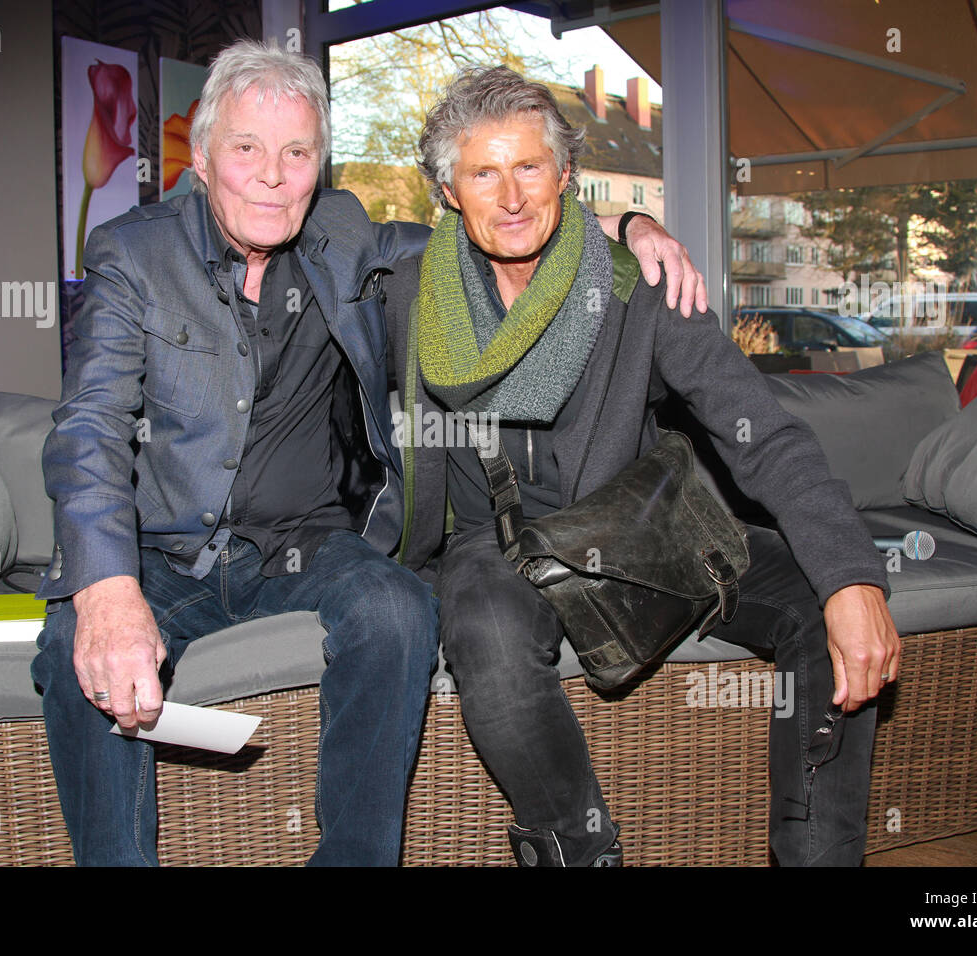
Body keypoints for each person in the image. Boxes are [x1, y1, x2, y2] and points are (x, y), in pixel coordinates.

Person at [31, 40, 705, 867]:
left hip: (311, 547)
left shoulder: (340, 231)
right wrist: (106, 593)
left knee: (396, 608)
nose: (273, 176)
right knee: (74, 653)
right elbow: (88, 427)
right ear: (203, 157)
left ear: (319, 165)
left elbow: (493, 228)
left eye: (297, 153)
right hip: (166, 555)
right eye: (246, 148)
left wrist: (629, 224)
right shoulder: (133, 255)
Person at [385, 66, 902, 866]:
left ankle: (818, 855)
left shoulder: (641, 285)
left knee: (816, 596)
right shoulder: (410, 286)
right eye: (484, 172)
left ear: (566, 176)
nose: (512, 196)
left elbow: (762, 432)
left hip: (635, 521)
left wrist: (851, 578)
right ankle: (580, 852)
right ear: (449, 191)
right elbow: (289, 217)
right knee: (485, 625)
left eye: (530, 167)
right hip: (496, 538)